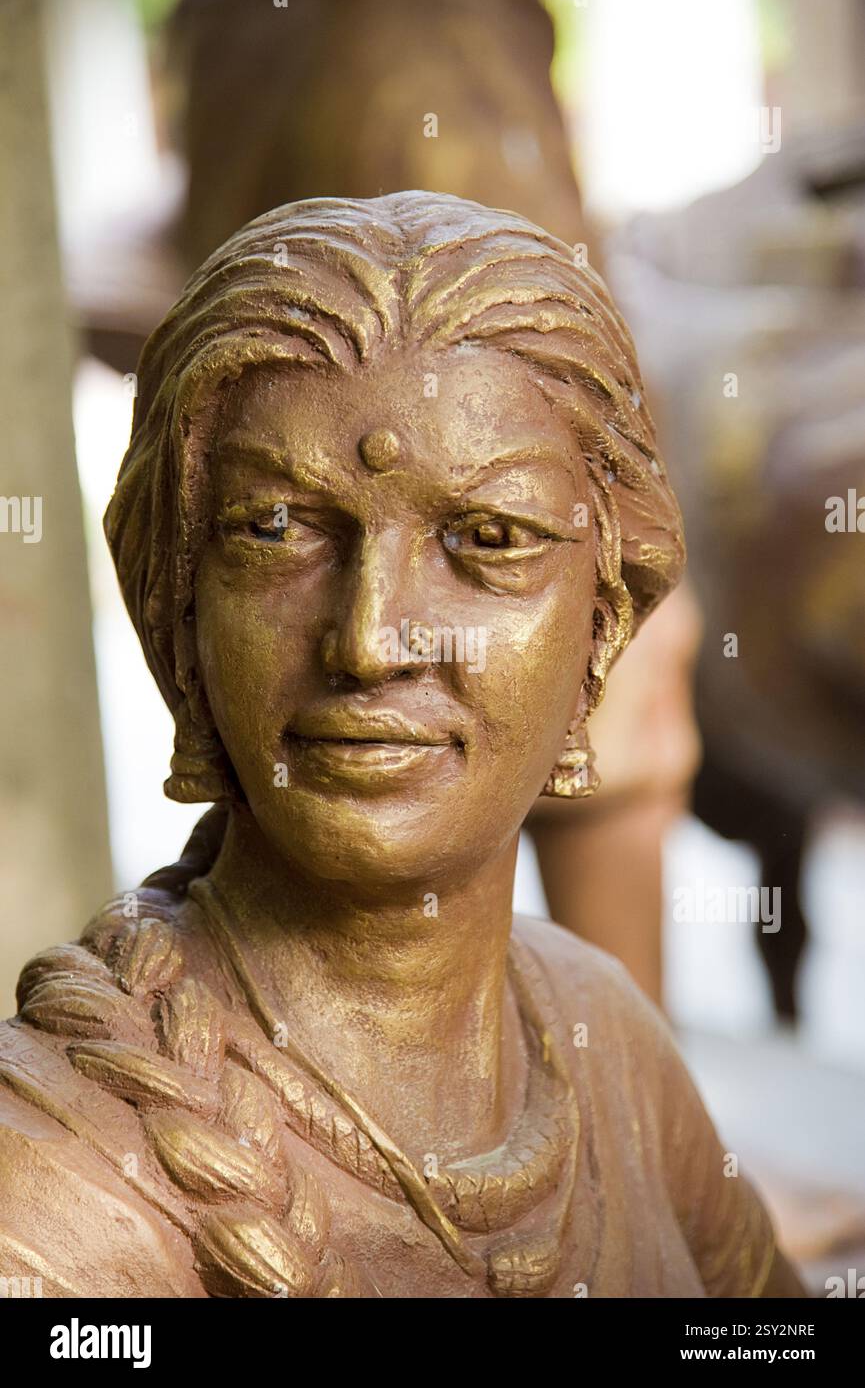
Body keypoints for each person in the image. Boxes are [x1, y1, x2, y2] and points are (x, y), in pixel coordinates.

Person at [0, 193, 803, 1297]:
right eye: (276, 528)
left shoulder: (600, 1034)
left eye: (490, 538)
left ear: (603, 619)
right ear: (176, 601)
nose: (374, 638)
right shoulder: (54, 1197)